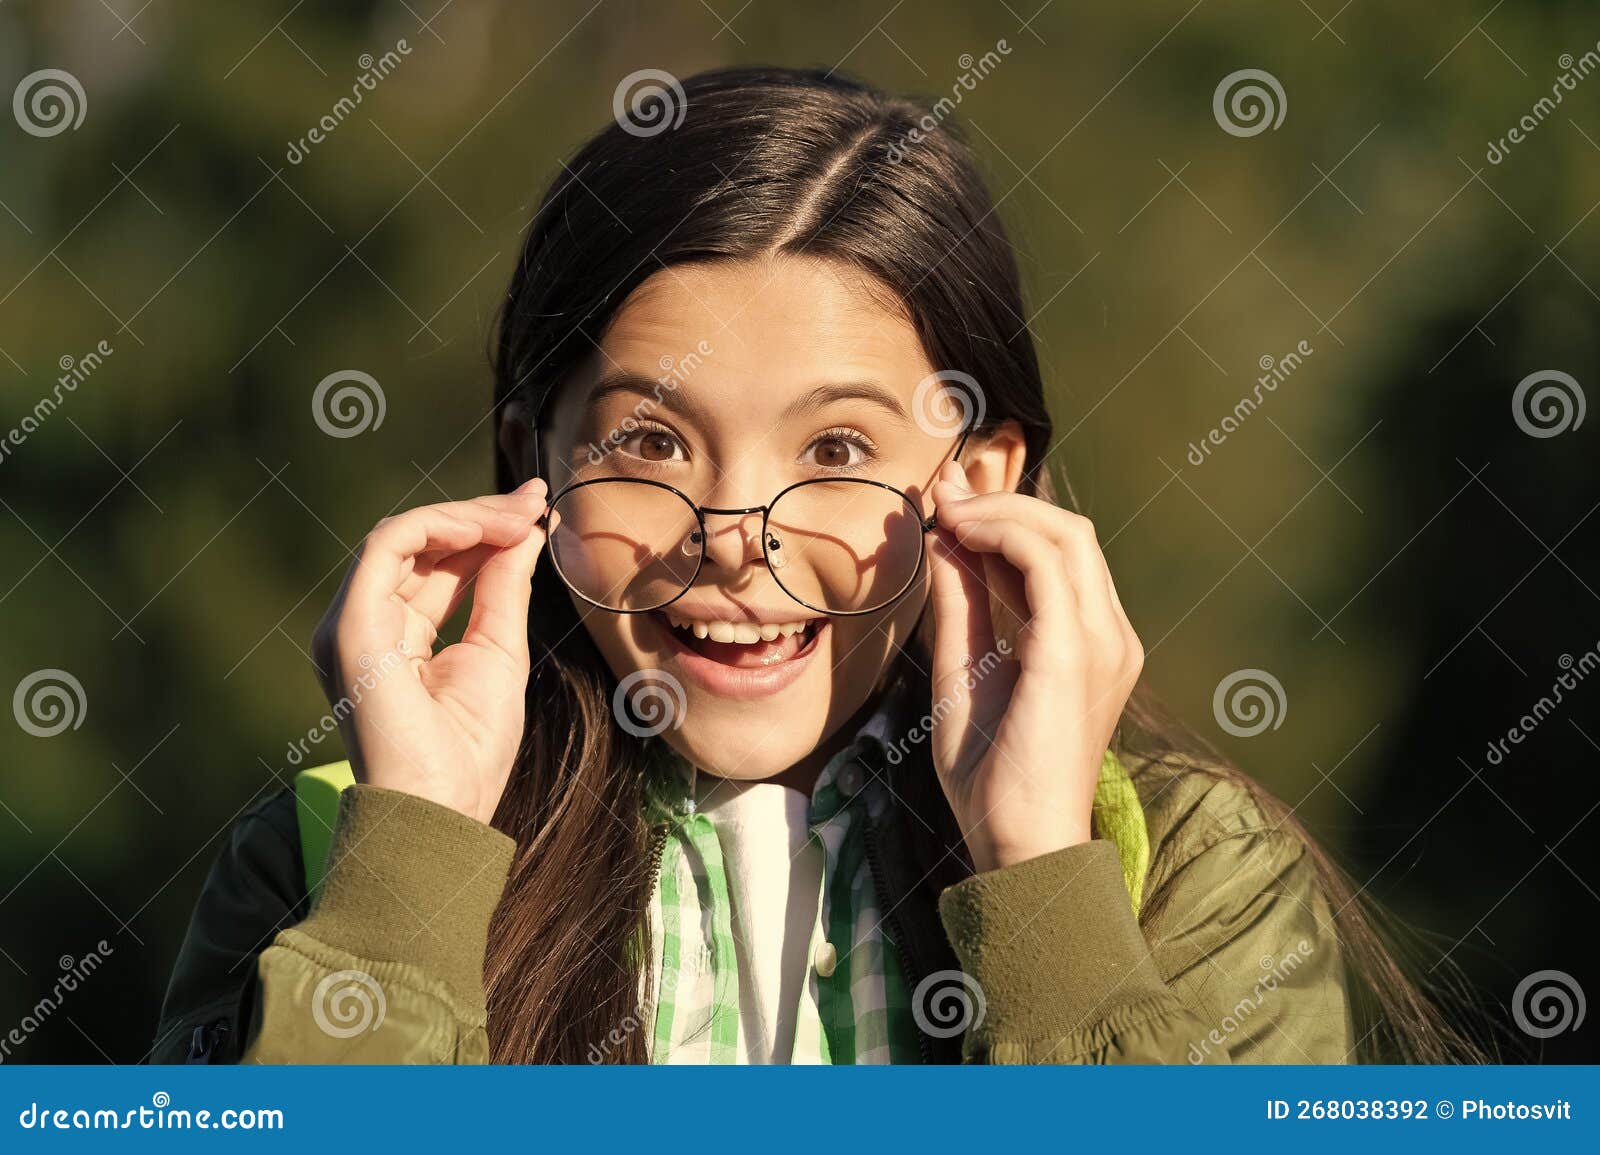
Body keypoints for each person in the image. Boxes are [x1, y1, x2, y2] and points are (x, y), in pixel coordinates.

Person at [153, 65, 1482, 1065]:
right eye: (651, 441)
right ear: (531, 468)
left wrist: (1040, 880)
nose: (736, 534)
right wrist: (409, 878)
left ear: (978, 481)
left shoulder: (1191, 876)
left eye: (838, 447)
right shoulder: (329, 868)